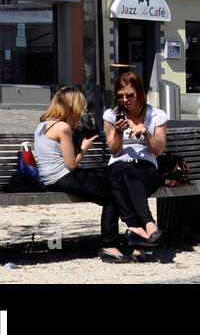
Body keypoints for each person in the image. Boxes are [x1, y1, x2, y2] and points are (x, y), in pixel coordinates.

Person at [34, 86, 131, 263]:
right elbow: (71, 165)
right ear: (71, 106)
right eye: (80, 106)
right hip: (61, 177)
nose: (82, 111)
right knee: (111, 196)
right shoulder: (63, 127)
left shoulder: (42, 124)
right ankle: (109, 245)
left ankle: (134, 227)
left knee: (112, 177)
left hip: (50, 177)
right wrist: (84, 148)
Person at [102, 71, 167, 249]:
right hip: (118, 167)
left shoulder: (156, 115)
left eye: (130, 95)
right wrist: (119, 132)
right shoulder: (111, 115)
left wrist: (146, 132)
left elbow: (159, 150)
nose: (125, 100)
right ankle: (147, 226)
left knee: (122, 180)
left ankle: (131, 235)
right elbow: (115, 152)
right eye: (121, 96)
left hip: (146, 169)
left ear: (140, 93)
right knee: (122, 170)